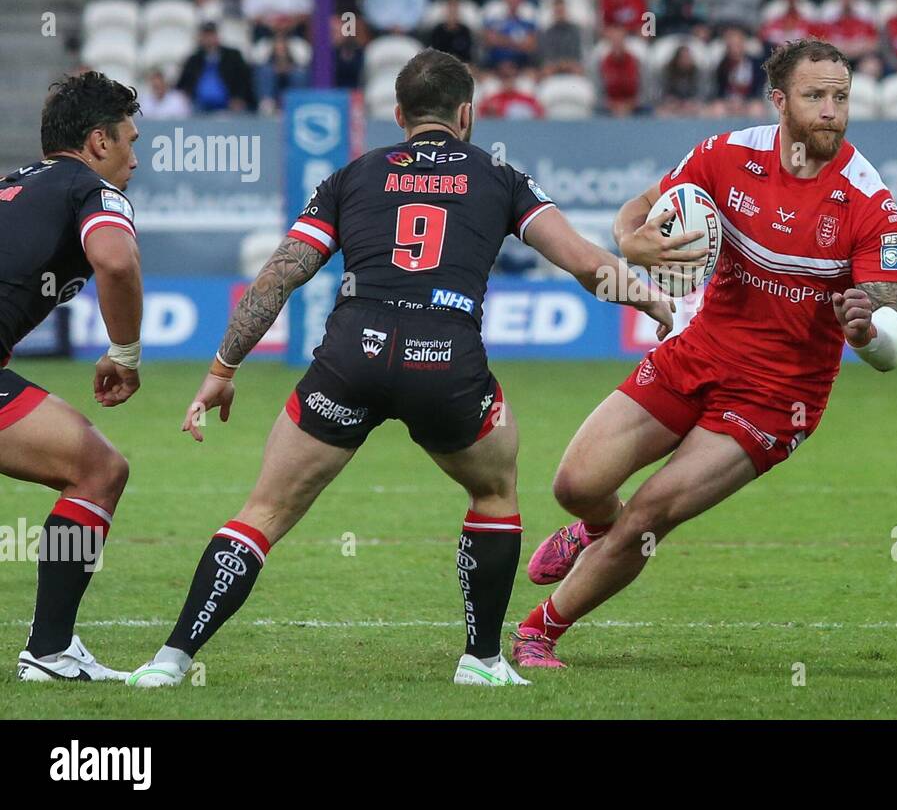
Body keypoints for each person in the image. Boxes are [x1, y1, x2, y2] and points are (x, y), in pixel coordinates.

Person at [127, 50, 672, 688]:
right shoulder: (500, 176)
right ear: (466, 114)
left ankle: (171, 660)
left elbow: (281, 275)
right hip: (445, 361)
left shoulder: (355, 174)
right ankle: (483, 661)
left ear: (399, 115)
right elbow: (583, 262)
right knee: (494, 494)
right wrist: (656, 302)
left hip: (351, 357)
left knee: (263, 511)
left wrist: (223, 366)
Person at [512, 39, 897, 669]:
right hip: (697, 351)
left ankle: (539, 631)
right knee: (575, 484)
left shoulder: (867, 199)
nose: (831, 111)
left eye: (841, 97)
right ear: (779, 100)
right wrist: (632, 243)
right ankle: (593, 529)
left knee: (650, 512)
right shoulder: (727, 154)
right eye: (815, 97)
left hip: (779, 397)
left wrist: (869, 332)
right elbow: (638, 213)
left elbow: (893, 332)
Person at [4, 73, 144, 681]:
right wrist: (126, 352)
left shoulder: (12, 184)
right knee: (98, 470)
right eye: (130, 142)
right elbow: (115, 261)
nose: (134, 160)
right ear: (98, 141)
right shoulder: (91, 190)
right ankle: (50, 651)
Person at [177, 22, 254, 113]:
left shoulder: (233, 56)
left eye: (211, 35)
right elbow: (182, 84)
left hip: (229, 106)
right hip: (198, 107)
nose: (209, 39)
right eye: (206, 35)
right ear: (200, 38)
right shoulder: (193, 60)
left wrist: (238, 97)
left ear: (217, 36)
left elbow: (244, 80)